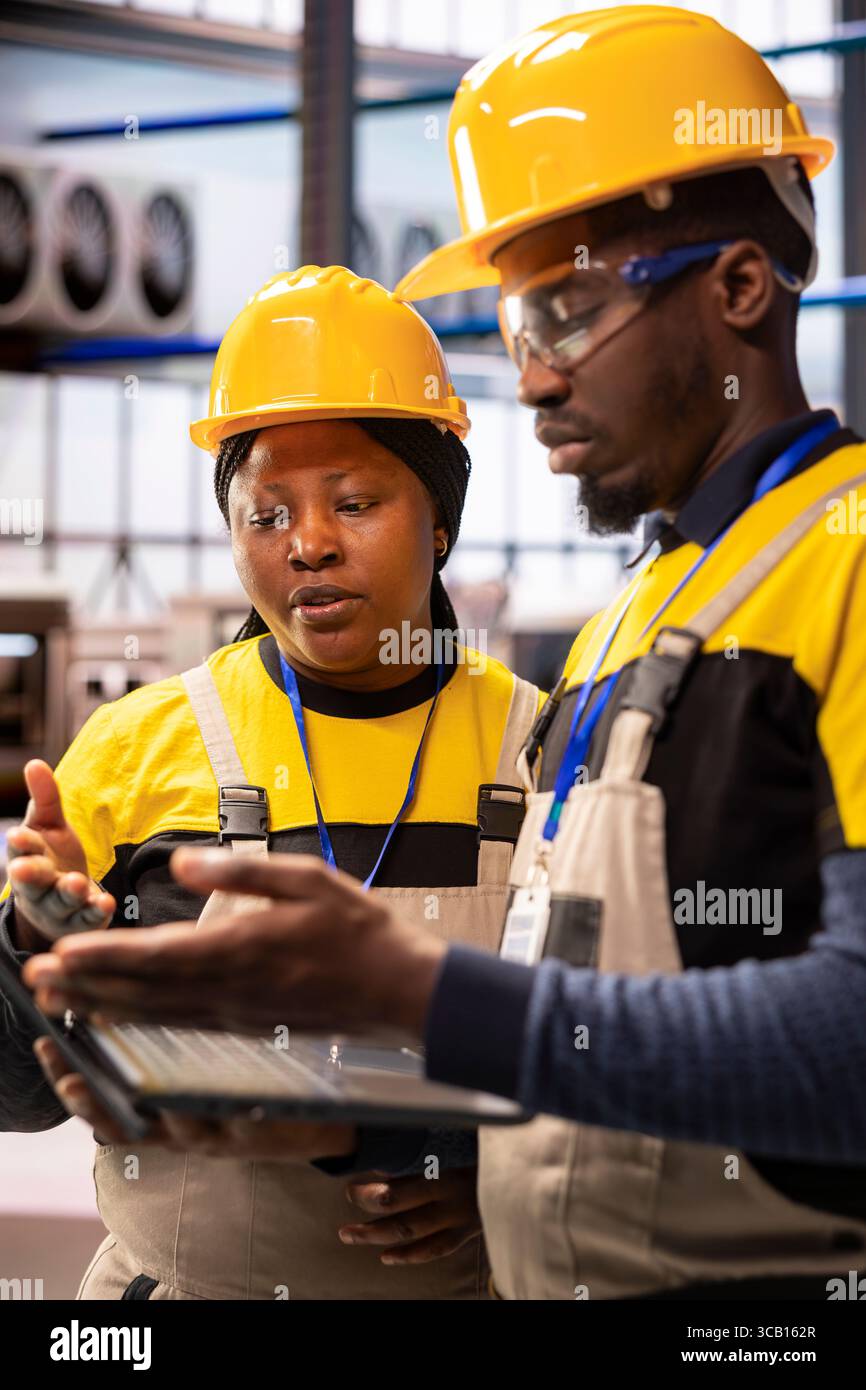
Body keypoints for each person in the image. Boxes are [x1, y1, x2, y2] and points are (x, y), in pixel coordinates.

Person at [23, 7, 866, 1301]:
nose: (531, 378)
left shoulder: (840, 569)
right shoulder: (631, 633)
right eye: (520, 330)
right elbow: (590, 1041)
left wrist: (420, 996)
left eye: (568, 311)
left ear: (741, 286)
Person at [0, 264, 541, 1300]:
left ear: (439, 522)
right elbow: (16, 1095)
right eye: (264, 513)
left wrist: (489, 1169)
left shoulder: (545, 749)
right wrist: (35, 944)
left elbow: (628, 1052)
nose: (308, 544)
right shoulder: (132, 749)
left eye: (354, 500)